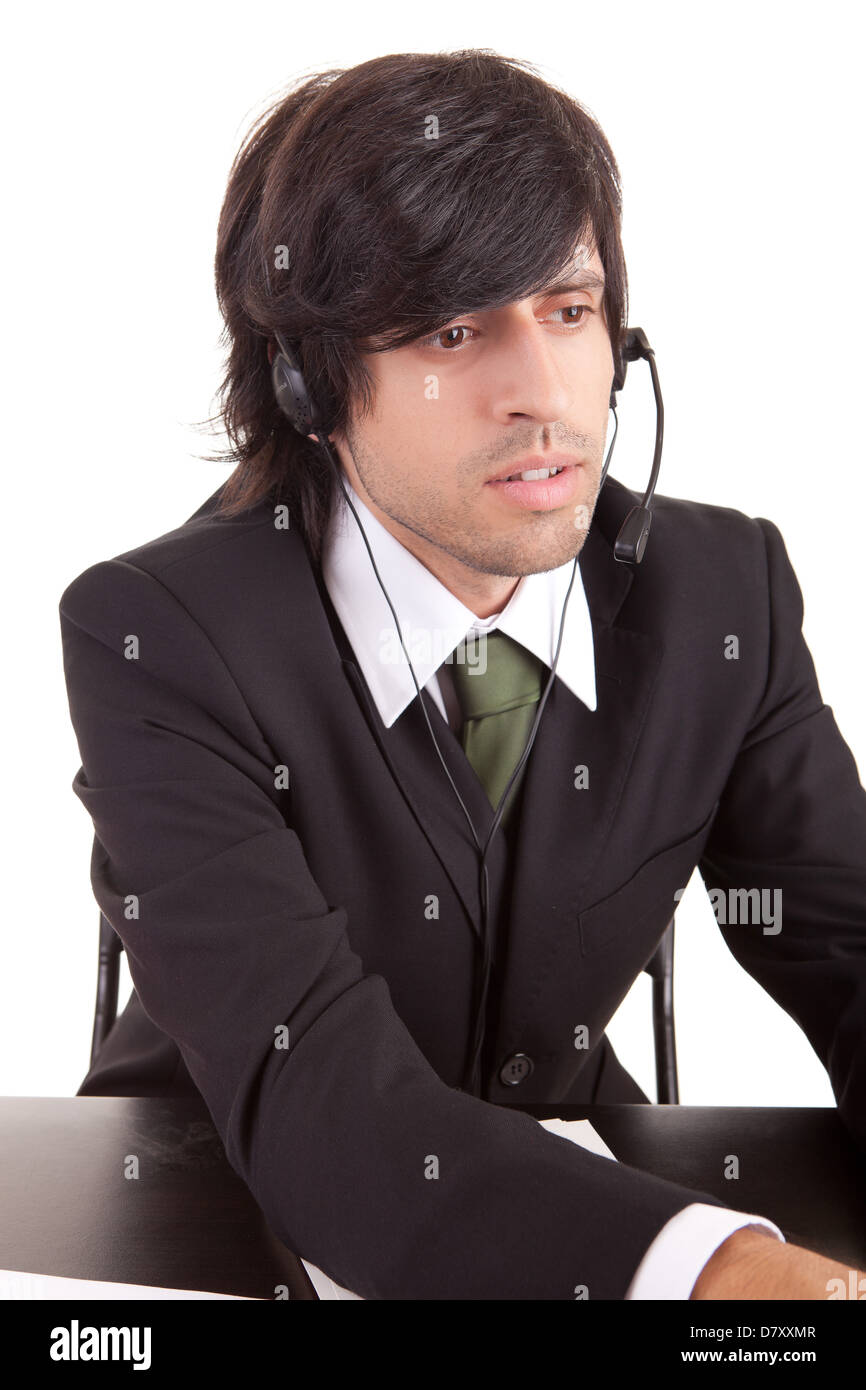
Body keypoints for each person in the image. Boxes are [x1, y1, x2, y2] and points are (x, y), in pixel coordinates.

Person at [59, 49, 866, 1300]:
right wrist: (713, 1280)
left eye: (567, 309)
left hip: (571, 1180)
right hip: (209, 1215)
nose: (542, 395)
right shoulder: (157, 632)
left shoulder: (723, 592)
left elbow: (847, 940)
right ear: (309, 381)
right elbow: (317, 1086)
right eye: (450, 329)